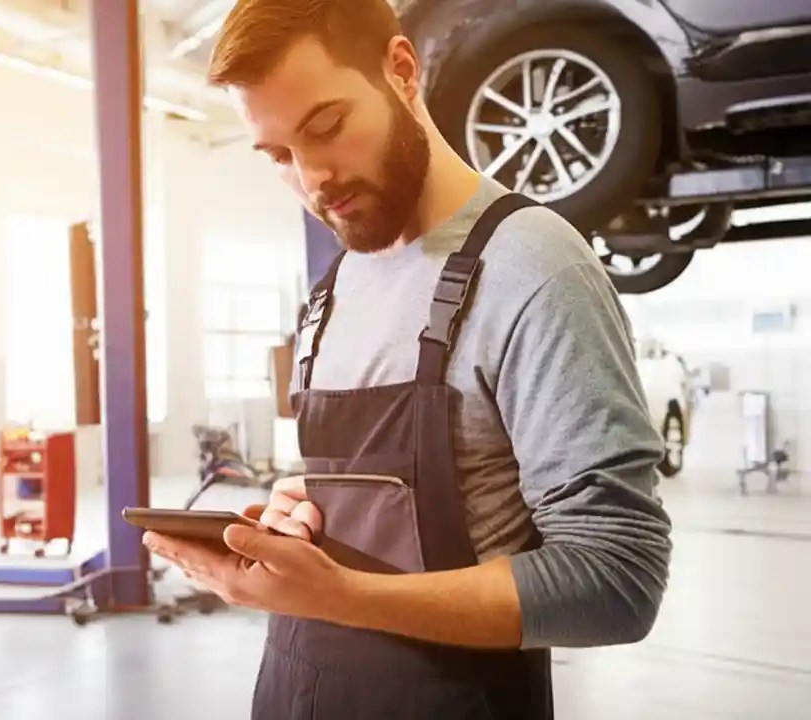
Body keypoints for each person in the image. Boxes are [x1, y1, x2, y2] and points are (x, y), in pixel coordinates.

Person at [141, 1, 674, 718]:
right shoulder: (333, 289)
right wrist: (302, 515)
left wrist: (339, 596)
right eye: (277, 155)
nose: (313, 179)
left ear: (400, 70)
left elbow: (617, 579)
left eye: (326, 127)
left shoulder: (532, 267)